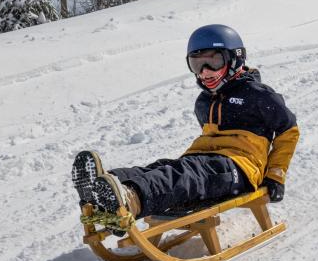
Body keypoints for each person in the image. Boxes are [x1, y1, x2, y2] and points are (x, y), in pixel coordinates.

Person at [72, 24, 300, 225]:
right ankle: (106, 185)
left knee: (187, 175)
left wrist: (275, 176)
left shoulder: (258, 94)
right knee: (163, 167)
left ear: (234, 58)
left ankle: (130, 198)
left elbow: (288, 131)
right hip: (204, 158)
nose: (205, 72)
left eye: (213, 61)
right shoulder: (204, 101)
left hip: (240, 167)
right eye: (197, 64)